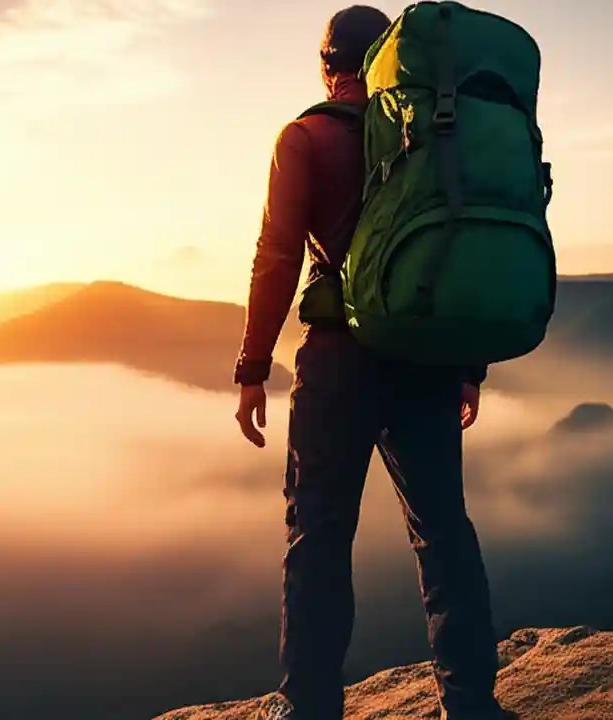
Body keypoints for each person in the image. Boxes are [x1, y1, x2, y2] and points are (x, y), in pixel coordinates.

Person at [233, 6, 508, 720]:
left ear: (326, 64)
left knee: (319, 536)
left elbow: (277, 255)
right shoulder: (434, 135)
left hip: (337, 366)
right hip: (425, 357)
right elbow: (461, 249)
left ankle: (309, 706)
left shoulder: (306, 137)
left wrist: (252, 366)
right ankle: (471, 703)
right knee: (444, 532)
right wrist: (468, 364)